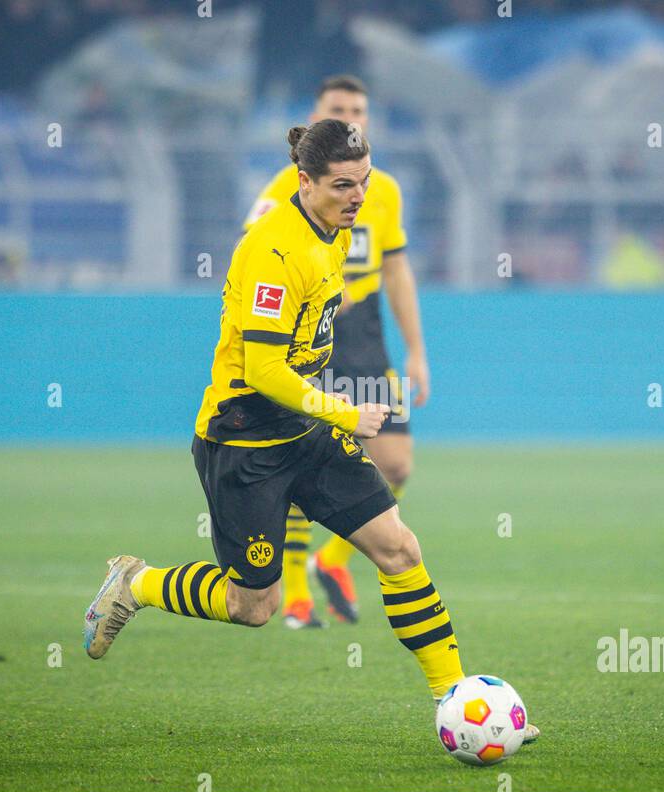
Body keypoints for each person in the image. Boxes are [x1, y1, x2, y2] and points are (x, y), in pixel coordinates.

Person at [83, 119, 538, 736]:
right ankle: (136, 582)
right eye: (344, 185)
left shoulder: (333, 233)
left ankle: (456, 700)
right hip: (244, 441)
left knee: (399, 549)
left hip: (307, 433)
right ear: (305, 181)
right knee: (253, 607)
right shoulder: (274, 250)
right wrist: (344, 409)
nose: (358, 196)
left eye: (365, 182)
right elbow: (265, 367)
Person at [244, 74, 428, 629]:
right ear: (318, 117)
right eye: (338, 109)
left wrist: (416, 350)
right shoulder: (287, 187)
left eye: (358, 110)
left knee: (395, 462)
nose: (351, 117)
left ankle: (333, 558)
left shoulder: (383, 190)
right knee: (308, 452)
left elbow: (395, 267)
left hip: (365, 332)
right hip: (309, 334)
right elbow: (252, 252)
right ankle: (296, 593)